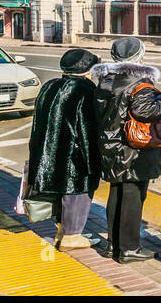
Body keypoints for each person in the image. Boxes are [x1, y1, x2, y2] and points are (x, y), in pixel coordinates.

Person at [92, 37, 161, 263]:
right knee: (133, 197)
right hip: (132, 149)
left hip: (110, 145)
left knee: (117, 195)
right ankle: (129, 248)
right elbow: (144, 112)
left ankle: (113, 245)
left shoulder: (105, 80)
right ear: (139, 56)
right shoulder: (139, 82)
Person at [24, 48, 104, 251]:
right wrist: (93, 161)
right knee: (77, 194)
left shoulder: (51, 85)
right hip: (74, 156)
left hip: (48, 152)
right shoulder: (85, 90)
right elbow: (87, 129)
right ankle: (72, 236)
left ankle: (61, 231)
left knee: (59, 193)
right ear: (88, 70)